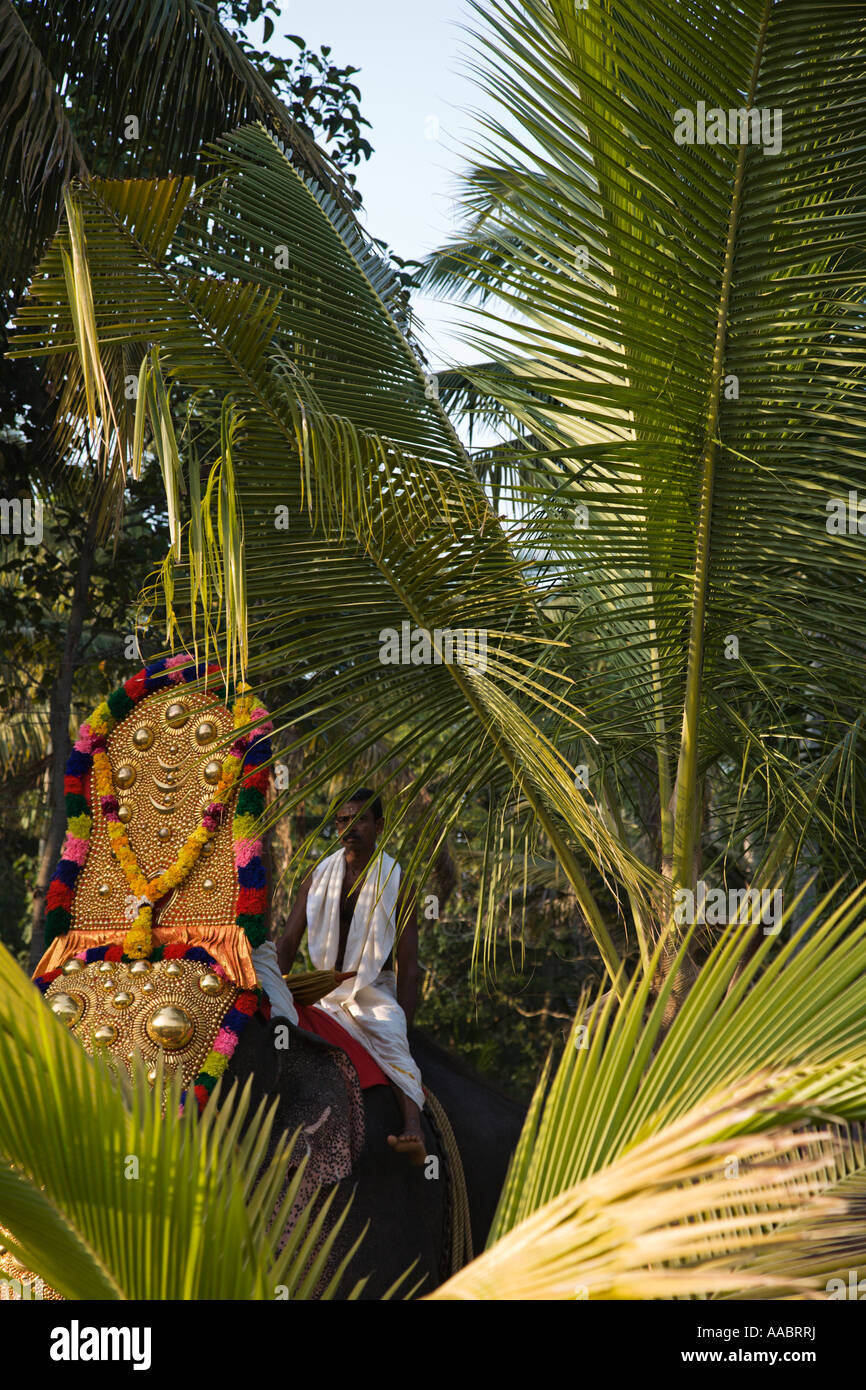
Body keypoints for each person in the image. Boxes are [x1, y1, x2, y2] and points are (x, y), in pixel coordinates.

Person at [277, 789, 426, 1164]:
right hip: (323, 988)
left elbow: (410, 967)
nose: (349, 827)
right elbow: (290, 939)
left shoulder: (397, 881)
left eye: (359, 819)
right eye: (342, 820)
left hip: (372, 992)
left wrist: (405, 1023)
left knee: (391, 1035)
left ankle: (413, 1127)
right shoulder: (319, 877)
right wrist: (273, 989)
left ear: (379, 825)